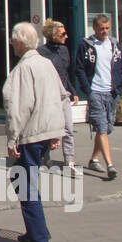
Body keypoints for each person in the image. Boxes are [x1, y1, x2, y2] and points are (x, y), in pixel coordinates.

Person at [2, 22, 65, 242]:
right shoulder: (46, 63)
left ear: (20, 43)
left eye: (13, 40)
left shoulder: (23, 69)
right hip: (47, 130)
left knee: (24, 182)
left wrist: (11, 140)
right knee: (24, 178)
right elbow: (61, 95)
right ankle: (37, 231)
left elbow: (18, 108)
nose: (11, 44)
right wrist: (57, 132)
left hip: (33, 132)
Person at [74, 14, 122, 181]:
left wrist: (120, 88)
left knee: (107, 128)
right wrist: (87, 90)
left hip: (111, 93)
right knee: (101, 128)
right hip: (96, 92)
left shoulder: (114, 44)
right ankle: (110, 166)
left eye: (107, 28)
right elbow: (80, 68)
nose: (105, 31)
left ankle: (94, 159)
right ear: (95, 28)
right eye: (102, 29)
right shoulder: (87, 46)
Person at [38, 19, 81, 176]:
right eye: (63, 34)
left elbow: (65, 73)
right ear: (53, 35)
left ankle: (69, 160)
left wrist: (72, 90)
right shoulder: (41, 52)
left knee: (68, 128)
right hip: (48, 96)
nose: (66, 36)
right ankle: (45, 157)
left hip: (63, 95)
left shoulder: (64, 50)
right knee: (48, 130)